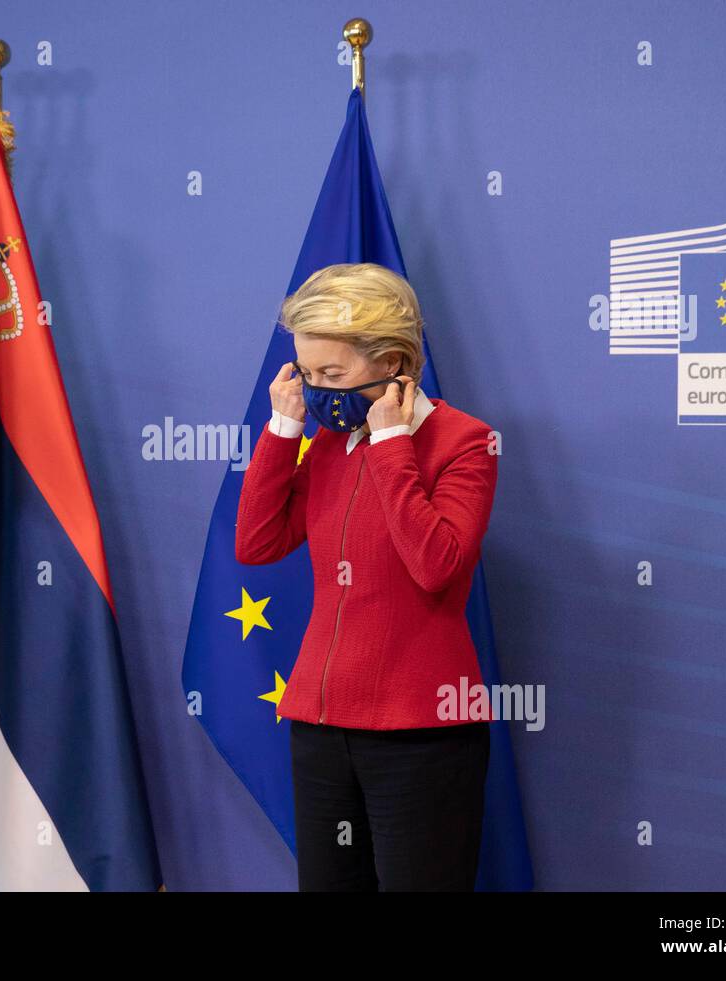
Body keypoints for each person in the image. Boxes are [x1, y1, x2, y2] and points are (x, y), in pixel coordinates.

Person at [235, 262, 498, 891]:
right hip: (321, 729)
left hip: (422, 731)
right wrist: (283, 430)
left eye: (334, 374)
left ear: (395, 361)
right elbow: (257, 542)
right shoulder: (326, 443)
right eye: (306, 372)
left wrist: (390, 447)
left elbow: (435, 565)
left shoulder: (466, 442)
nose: (319, 388)